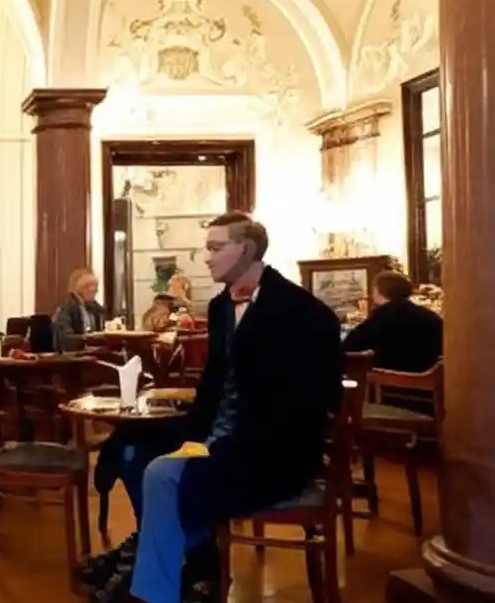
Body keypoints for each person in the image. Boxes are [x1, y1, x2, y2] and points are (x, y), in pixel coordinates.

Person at [127, 212, 342, 603]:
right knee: (129, 448)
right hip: (221, 438)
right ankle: (191, 566)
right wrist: (196, 438)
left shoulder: (302, 312)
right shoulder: (221, 306)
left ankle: (162, 588)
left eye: (215, 247)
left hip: (272, 449)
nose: (206, 258)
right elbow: (213, 383)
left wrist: (219, 444)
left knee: (162, 473)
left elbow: (310, 402)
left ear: (247, 249)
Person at [342, 270, 442, 373]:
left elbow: (349, 346)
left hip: (388, 383)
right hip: (429, 383)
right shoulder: (428, 316)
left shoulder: (381, 316)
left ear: (378, 291)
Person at [53, 268, 105, 351]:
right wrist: (89, 339)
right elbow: (65, 340)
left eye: (95, 286)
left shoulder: (97, 310)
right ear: (76, 289)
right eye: (88, 286)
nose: (95, 290)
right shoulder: (65, 311)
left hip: (96, 354)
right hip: (76, 357)